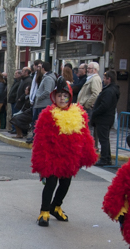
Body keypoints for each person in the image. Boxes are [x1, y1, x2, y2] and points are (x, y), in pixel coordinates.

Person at [31, 77, 98, 226]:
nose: (62, 98)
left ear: (70, 97)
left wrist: (87, 156)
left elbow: (85, 136)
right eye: (59, 96)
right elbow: (40, 141)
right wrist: (42, 162)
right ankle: (44, 211)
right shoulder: (47, 115)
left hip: (69, 158)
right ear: (54, 97)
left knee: (65, 183)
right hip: (52, 157)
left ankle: (56, 206)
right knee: (51, 183)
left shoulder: (78, 113)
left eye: (65, 95)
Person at [90, 70, 120, 166]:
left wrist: (95, 111)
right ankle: (106, 157)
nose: (103, 80)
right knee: (105, 139)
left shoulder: (109, 91)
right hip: (106, 117)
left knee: (103, 139)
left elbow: (105, 105)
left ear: (109, 79)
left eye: (104, 78)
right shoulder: (110, 90)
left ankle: (104, 158)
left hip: (104, 118)